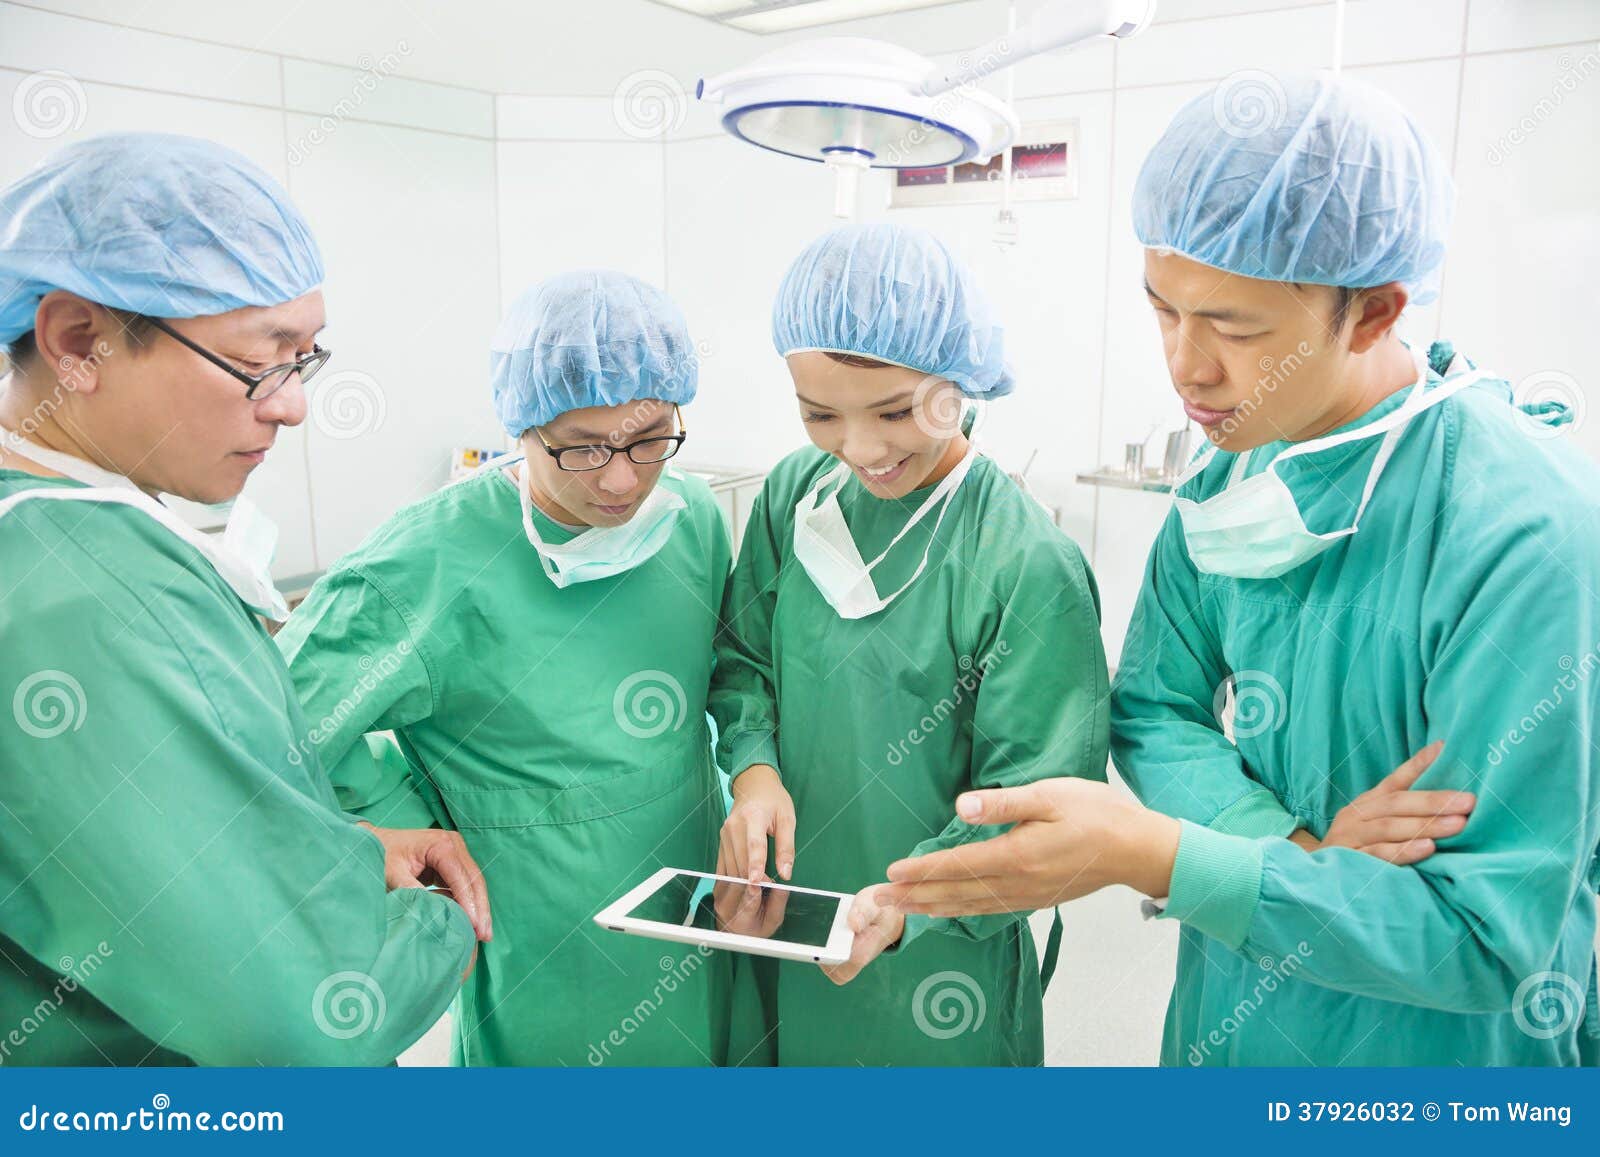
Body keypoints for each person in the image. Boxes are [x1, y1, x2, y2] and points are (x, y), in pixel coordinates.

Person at [879, 72, 1600, 1067]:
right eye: (1163, 309)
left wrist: (1164, 853)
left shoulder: (1524, 523)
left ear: (1375, 310)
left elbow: (1481, 934)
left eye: (1235, 326)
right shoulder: (1233, 472)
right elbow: (1152, 705)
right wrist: (1284, 850)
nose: (1186, 366)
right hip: (1233, 1017)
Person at [0, 133, 484, 1066]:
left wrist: (329, 854)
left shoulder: (62, 536)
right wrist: (433, 926)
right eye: (260, 361)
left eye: (307, 359)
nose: (293, 406)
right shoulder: (86, 593)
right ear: (76, 342)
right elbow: (297, 1015)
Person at [275, 271, 732, 1066]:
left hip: (706, 921)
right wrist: (398, 813)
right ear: (521, 425)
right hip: (549, 959)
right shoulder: (424, 565)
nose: (622, 478)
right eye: (582, 447)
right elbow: (274, 720)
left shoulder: (692, 526)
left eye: (649, 436)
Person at [709, 223, 1110, 1066]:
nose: (859, 450)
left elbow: (1039, 815)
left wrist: (906, 908)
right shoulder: (795, 494)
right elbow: (743, 662)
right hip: (791, 926)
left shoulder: (1024, 564)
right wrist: (754, 774)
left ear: (958, 380)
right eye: (820, 414)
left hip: (935, 966)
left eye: (895, 411)